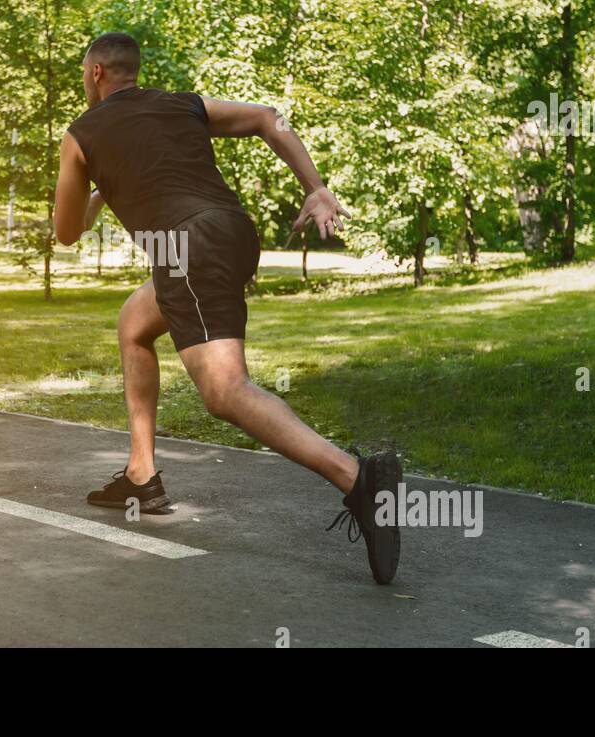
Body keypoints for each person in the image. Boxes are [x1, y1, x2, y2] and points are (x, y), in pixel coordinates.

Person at [53, 32, 401, 584]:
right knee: (134, 324)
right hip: (232, 233)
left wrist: (95, 186)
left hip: (188, 247)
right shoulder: (181, 104)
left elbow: (67, 232)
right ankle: (141, 475)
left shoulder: (82, 135)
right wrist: (314, 186)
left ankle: (357, 478)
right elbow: (267, 117)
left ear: (95, 72)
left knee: (224, 392)